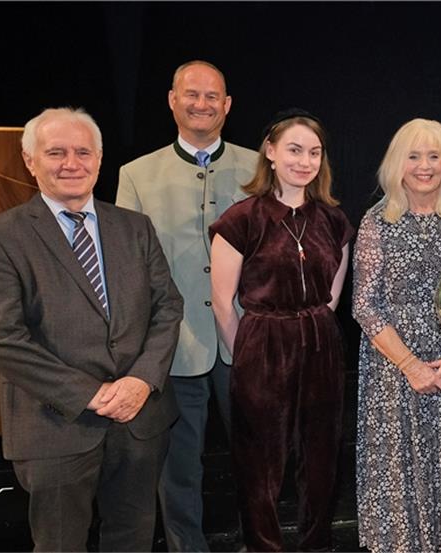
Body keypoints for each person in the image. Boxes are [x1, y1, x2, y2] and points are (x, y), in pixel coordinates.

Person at [0, 107, 184, 551]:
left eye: (83, 152)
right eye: (56, 152)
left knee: (132, 539)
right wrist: (88, 394)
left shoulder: (135, 227)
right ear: (30, 160)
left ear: (100, 159)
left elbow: (168, 307)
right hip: (54, 425)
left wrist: (141, 381)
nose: (72, 163)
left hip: (138, 421)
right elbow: (1, 336)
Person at [116, 59, 254, 552]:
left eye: (212, 96)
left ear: (227, 105)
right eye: (191, 94)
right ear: (172, 100)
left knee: (259, 459)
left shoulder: (260, 167)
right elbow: (129, 269)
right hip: (174, 347)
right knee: (177, 468)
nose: (201, 104)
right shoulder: (136, 175)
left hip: (247, 340)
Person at [209, 109, 354, 552]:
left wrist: (311, 329)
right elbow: (222, 301)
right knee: (260, 461)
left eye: (314, 152)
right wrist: (248, 354)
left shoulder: (334, 220)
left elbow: (331, 297)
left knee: (322, 455)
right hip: (263, 343)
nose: (304, 161)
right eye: (294, 150)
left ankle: (316, 543)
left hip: (320, 341)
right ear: (270, 152)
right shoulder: (241, 219)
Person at [352, 118, 441, 552]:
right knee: (399, 469)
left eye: (433, 156)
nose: (424, 166)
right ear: (397, 163)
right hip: (394, 367)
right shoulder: (376, 221)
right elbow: (364, 305)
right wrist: (410, 365)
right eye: (413, 156)